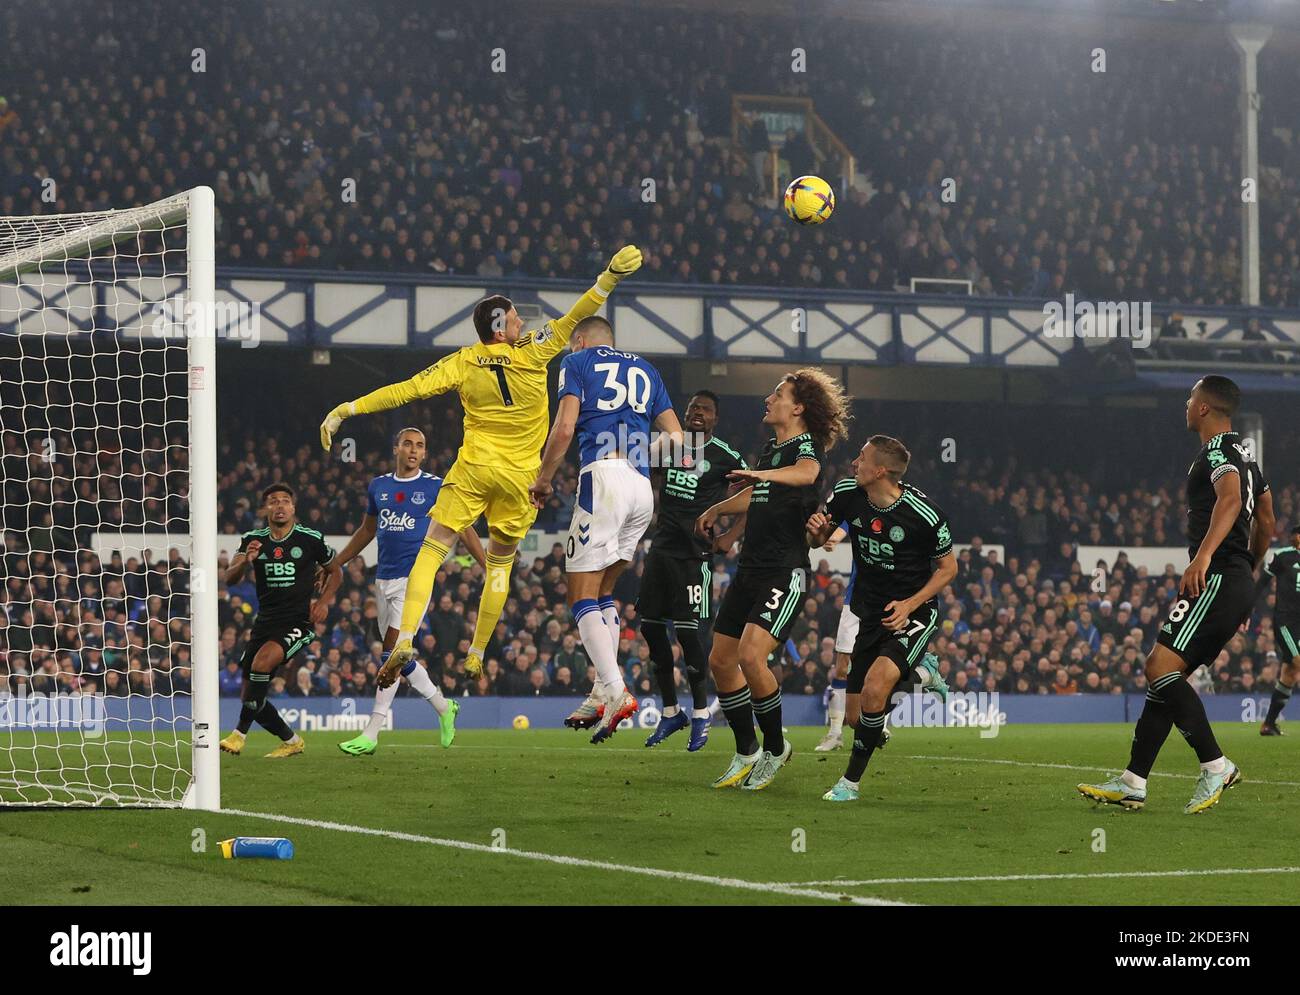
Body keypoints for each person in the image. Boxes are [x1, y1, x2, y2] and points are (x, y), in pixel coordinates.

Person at [319, 246, 642, 689]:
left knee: (432, 551)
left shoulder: (463, 359)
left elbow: (406, 391)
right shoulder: (535, 350)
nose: (521, 323)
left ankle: (406, 636)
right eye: (514, 319)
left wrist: (346, 410)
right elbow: (578, 313)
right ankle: (476, 651)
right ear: (502, 325)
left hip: (473, 469)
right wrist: (609, 278)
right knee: (499, 564)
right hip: (521, 480)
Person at [1078, 376, 1272, 814]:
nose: (1186, 404)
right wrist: (1250, 573)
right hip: (1234, 580)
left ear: (1204, 408)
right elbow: (1268, 519)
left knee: (1158, 666)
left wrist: (1204, 557)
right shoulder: (1248, 456)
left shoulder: (1219, 452)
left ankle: (1216, 764)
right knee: (1169, 678)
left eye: (1190, 398)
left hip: (1218, 576)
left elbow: (1228, 500)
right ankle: (1133, 780)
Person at [529, 314, 682, 744]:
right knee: (603, 593)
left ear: (579, 340)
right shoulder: (648, 370)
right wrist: (634, 450)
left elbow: (562, 429)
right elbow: (678, 437)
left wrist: (543, 480)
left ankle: (616, 691)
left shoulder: (576, 363)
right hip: (640, 488)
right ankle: (601, 689)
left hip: (604, 480)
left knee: (578, 593)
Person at [695, 369, 850, 790]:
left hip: (786, 570)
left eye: (777, 394)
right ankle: (746, 749)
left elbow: (805, 474)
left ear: (797, 408)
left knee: (751, 655)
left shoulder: (805, 447)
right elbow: (755, 496)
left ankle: (775, 746)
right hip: (750, 570)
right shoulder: (770, 449)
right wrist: (720, 510)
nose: (769, 399)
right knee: (720, 661)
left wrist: (758, 477)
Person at [805, 436, 956, 803]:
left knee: (876, 688)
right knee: (858, 718)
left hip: (913, 612)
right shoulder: (846, 493)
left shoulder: (925, 514)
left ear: (880, 470)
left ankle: (849, 783)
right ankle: (922, 673)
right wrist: (816, 534)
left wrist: (909, 604)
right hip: (868, 611)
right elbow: (819, 540)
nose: (854, 462)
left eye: (862, 457)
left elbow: (949, 568)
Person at [333, 428, 485, 756]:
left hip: (415, 580)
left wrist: (490, 566)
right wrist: (338, 562)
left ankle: (371, 733)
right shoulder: (379, 486)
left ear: (425, 454)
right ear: (396, 448)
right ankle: (445, 709)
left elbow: (464, 529)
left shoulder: (435, 486)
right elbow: (367, 530)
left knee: (392, 655)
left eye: (420, 446)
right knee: (401, 660)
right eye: (408, 444)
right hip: (383, 581)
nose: (414, 450)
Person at [638, 391, 747, 752]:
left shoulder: (725, 456)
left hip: (694, 557)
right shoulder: (668, 446)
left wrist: (731, 535)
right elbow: (646, 476)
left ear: (715, 418)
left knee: (689, 637)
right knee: (651, 630)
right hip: (661, 550)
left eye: (705, 409)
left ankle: (701, 713)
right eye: (692, 407)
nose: (697, 412)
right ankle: (671, 712)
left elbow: (758, 491)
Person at [219, 484, 341, 758]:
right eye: (273, 501)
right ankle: (292, 741)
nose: (280, 505)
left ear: (293, 508)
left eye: (285, 501)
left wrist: (322, 603)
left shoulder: (310, 538)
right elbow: (229, 577)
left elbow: (337, 572)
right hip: (265, 622)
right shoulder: (252, 539)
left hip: (298, 621)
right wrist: (244, 562)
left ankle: (239, 735)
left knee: (261, 665)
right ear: (266, 510)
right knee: (250, 696)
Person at [1258, 523, 1300, 734]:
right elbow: (1261, 584)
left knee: (1289, 673)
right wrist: (1246, 610)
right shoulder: (1283, 556)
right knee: (1297, 662)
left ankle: (1268, 724)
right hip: (1286, 622)